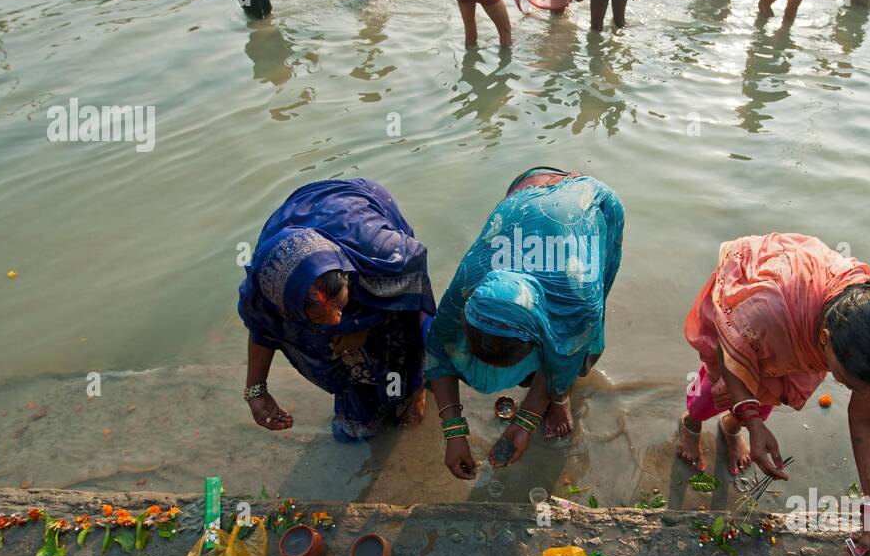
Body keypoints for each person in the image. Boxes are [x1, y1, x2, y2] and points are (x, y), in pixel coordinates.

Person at [678, 233, 870, 556]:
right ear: (824, 341)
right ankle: (690, 423)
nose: (857, 393)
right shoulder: (763, 314)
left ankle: (731, 428)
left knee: (767, 395)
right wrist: (755, 423)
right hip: (754, 307)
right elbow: (730, 356)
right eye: (849, 383)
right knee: (712, 394)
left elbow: (869, 422)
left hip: (792, 326)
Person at [426, 169, 625, 479]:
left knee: (580, 344)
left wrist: (528, 420)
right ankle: (550, 391)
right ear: (465, 318)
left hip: (588, 206)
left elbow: (569, 350)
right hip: (526, 195)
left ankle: (560, 397)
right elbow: (439, 351)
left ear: (537, 337)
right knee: (558, 349)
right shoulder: (469, 285)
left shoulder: (578, 296)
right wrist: (453, 431)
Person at [237, 179, 435, 443]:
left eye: (341, 306)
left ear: (346, 276)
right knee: (324, 346)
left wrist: (362, 325)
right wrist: (256, 391)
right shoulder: (266, 286)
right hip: (305, 236)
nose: (336, 319)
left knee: (398, 330)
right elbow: (264, 328)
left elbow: (414, 277)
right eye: (320, 317)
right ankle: (360, 395)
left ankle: (413, 387)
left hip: (355, 227)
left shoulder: (381, 250)